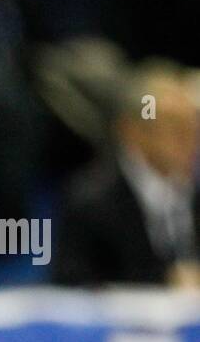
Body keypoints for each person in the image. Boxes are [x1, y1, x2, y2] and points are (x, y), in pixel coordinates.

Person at [53, 61, 200, 288]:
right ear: (132, 131)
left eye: (192, 126)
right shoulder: (92, 200)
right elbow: (73, 286)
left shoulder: (193, 193)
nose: (188, 138)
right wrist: (165, 281)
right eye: (173, 125)